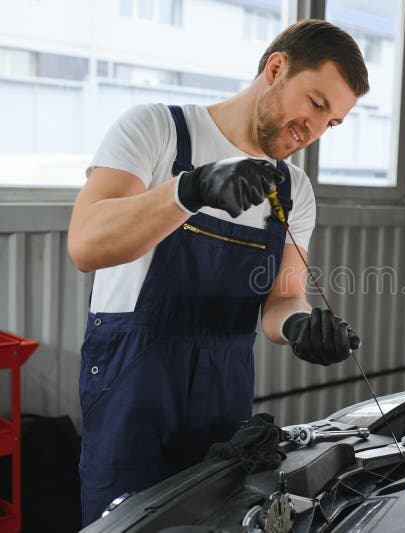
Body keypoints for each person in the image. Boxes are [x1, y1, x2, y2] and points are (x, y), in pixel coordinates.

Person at [67, 19, 369, 525]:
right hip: (132, 385)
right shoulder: (156, 130)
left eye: (330, 124)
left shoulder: (293, 189)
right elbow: (85, 243)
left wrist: (299, 326)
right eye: (316, 105)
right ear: (276, 68)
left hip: (222, 395)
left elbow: (282, 299)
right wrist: (190, 190)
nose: (313, 132)